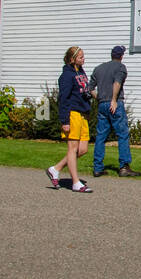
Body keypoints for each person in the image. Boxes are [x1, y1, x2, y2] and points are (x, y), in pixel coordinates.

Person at [90, 45, 140, 178]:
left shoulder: (99, 68)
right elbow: (117, 83)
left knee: (101, 136)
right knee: (122, 134)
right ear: (121, 56)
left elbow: (89, 88)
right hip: (115, 104)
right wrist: (113, 100)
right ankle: (124, 167)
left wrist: (99, 99)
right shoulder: (120, 68)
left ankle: (98, 167)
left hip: (102, 105)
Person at [48, 45, 93, 193]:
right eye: (80, 57)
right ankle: (75, 182)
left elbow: (85, 90)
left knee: (83, 149)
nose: (83, 59)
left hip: (83, 114)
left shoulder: (81, 72)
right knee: (72, 149)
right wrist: (64, 121)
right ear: (72, 59)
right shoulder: (66, 76)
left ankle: (56, 169)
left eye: (83, 56)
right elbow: (63, 99)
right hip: (73, 114)